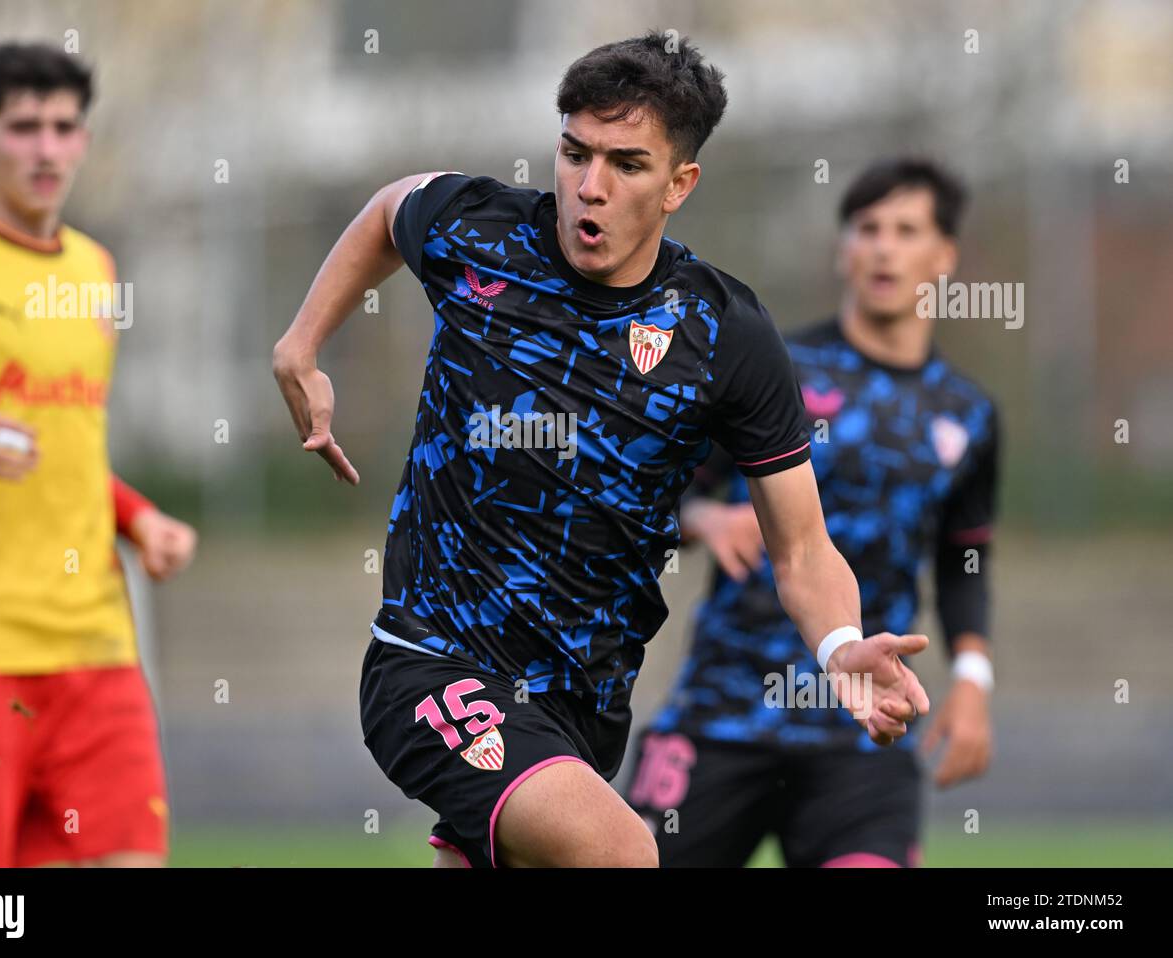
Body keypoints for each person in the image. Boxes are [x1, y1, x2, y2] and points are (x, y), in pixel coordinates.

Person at [274, 33, 929, 868]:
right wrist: (303, 343)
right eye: (573, 151)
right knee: (621, 853)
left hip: (581, 705)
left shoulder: (724, 332)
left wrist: (839, 648)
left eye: (626, 164)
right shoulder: (479, 233)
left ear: (679, 186)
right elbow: (388, 213)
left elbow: (800, 546)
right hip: (428, 660)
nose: (589, 186)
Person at [0, 41, 196, 867]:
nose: (47, 148)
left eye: (63, 126)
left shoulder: (95, 269)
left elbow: (67, 449)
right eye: (24, 127)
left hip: (94, 641)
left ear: (84, 139)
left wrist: (138, 517)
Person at [627, 158, 998, 867]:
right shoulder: (773, 368)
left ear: (943, 256)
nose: (883, 247)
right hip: (721, 714)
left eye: (906, 230)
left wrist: (973, 682)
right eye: (867, 229)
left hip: (861, 731)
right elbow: (653, 494)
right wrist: (705, 520)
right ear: (843, 249)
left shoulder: (968, 415)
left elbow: (963, 559)